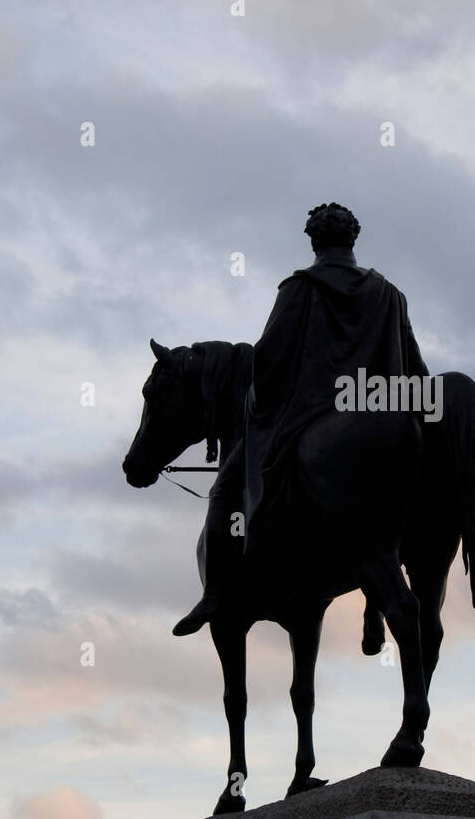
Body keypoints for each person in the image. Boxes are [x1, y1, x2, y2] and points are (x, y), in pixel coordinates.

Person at [173, 202, 428, 635]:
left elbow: (269, 357)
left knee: (223, 491)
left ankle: (214, 593)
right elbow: (417, 372)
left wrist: (256, 398)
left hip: (309, 414)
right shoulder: (389, 293)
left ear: (313, 242)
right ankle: (379, 599)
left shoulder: (299, 288)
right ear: (353, 238)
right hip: (381, 412)